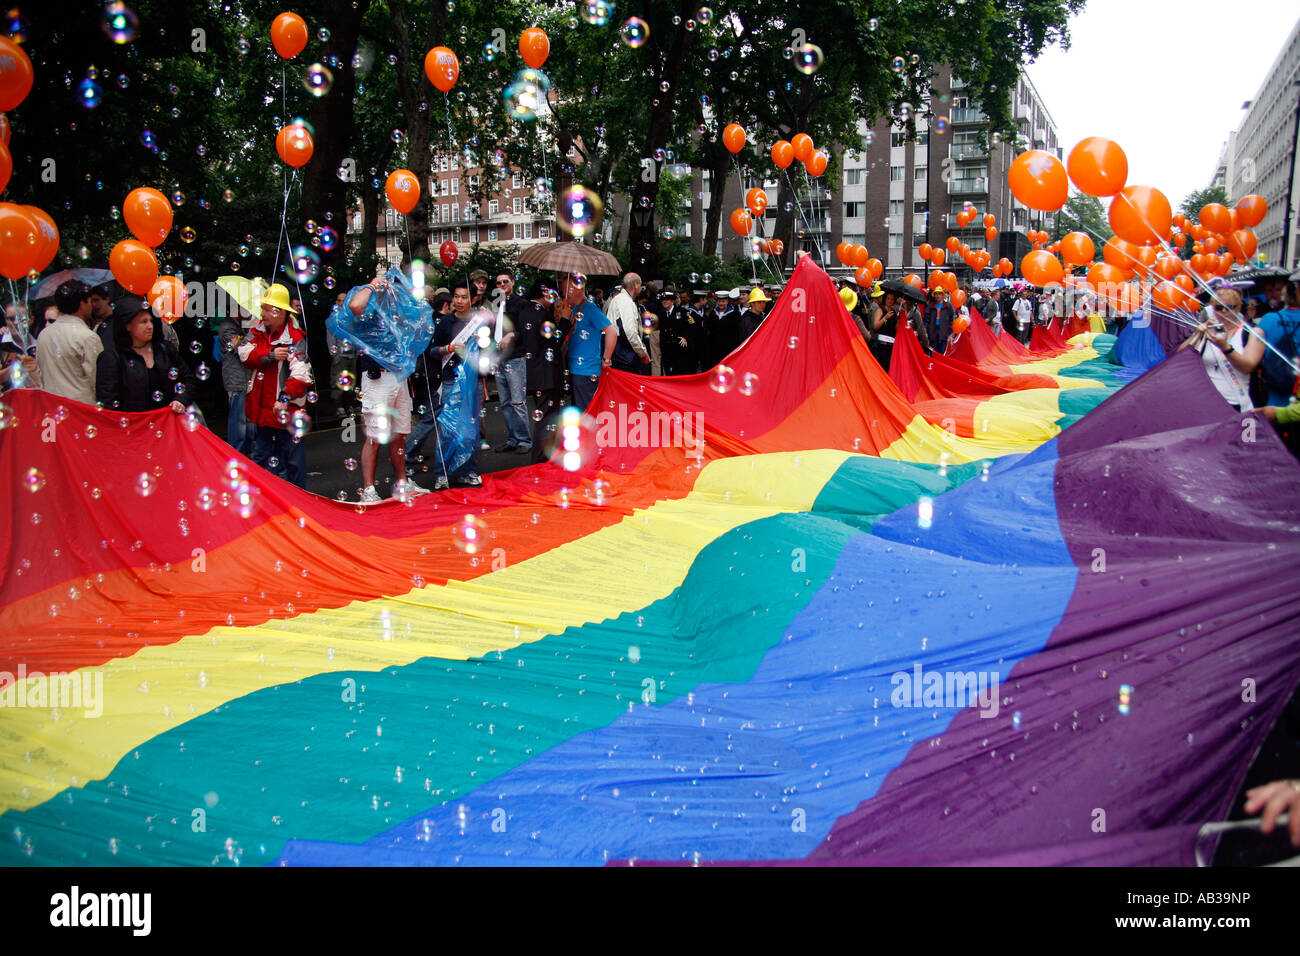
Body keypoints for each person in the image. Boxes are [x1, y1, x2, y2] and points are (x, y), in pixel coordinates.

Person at [345, 275, 430, 503]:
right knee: (374, 435)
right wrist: (372, 284)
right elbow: (354, 305)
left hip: (399, 377)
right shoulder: (368, 309)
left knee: (399, 434)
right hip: (377, 378)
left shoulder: (397, 313)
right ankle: (369, 490)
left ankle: (402, 483)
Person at [238, 282, 313, 488]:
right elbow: (243, 353)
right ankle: (264, 503)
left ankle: (300, 505)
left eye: (267, 309)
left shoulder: (295, 337)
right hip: (264, 411)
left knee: (293, 463)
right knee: (261, 460)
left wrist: (284, 398)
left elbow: (301, 374)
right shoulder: (257, 330)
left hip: (286, 410)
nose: (263, 313)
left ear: (280, 312)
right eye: (263, 308)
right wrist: (269, 355)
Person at [418, 278, 491, 488]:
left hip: (472, 381)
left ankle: (468, 471)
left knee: (470, 429)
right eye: (456, 297)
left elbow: (488, 352)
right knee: (447, 429)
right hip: (450, 381)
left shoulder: (479, 323)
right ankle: (441, 473)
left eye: (464, 297)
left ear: (473, 298)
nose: (459, 301)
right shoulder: (445, 323)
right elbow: (431, 351)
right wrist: (448, 349)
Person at [95, 294, 198, 414]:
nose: (150, 326)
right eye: (143, 322)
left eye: (151, 321)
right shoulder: (112, 357)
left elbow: (189, 380)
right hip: (134, 427)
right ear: (127, 326)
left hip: (168, 422)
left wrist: (180, 400)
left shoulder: (165, 349)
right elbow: (108, 401)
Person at [1175, 289, 1263, 413]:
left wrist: (1225, 347)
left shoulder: (1253, 332)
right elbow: (1180, 357)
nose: (1224, 312)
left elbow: (1247, 366)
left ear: (1239, 307)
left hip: (1239, 404)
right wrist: (1197, 334)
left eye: (1229, 307)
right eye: (1218, 308)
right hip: (1207, 403)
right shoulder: (1208, 331)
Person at [518, 279, 570, 463]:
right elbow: (553, 341)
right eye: (554, 295)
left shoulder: (526, 311)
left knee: (545, 417)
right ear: (546, 293)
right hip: (547, 373)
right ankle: (540, 461)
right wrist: (564, 320)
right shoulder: (541, 314)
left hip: (535, 372)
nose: (555, 299)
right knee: (546, 419)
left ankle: (545, 457)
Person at [36, 280, 102, 405]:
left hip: (51, 405)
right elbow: (96, 379)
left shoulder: (43, 335)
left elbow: (40, 373)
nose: (91, 305)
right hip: (81, 408)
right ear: (82, 304)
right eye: (89, 301)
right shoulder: (88, 337)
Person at [558, 271, 615, 412]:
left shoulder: (589, 308)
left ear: (578, 289)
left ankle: (589, 435)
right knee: (580, 412)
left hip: (586, 370)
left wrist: (606, 359)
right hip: (577, 369)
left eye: (566, 290)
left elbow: (612, 331)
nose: (564, 294)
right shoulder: (573, 309)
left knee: (586, 413)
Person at [491, 270, 531, 454]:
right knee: (505, 402)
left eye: (505, 281)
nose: (502, 285)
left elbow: (527, 331)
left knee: (517, 402)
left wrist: (512, 335)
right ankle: (513, 438)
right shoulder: (496, 304)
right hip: (499, 359)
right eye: (498, 283)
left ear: (513, 282)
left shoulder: (521, 304)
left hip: (515, 358)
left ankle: (524, 440)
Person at [218, 304, 255, 454]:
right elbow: (242, 348)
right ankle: (237, 457)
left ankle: (246, 457)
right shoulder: (228, 327)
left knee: (247, 425)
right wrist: (253, 332)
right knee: (238, 425)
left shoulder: (238, 325)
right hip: (236, 381)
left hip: (244, 379)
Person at [869, 284, 929, 372]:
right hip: (881, 345)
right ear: (885, 298)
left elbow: (896, 329)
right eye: (888, 298)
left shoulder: (895, 311)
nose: (890, 301)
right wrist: (885, 318)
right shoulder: (880, 310)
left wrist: (901, 318)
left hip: (891, 345)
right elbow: (875, 326)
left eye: (892, 299)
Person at [606, 272, 652, 374]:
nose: (641, 288)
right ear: (635, 284)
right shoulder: (625, 302)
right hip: (625, 358)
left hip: (618, 355)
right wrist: (643, 353)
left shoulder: (618, 299)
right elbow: (629, 332)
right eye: (640, 285)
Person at [659, 286, 698, 375]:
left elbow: (692, 325)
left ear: (672, 301)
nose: (665, 302)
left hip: (679, 350)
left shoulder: (682, 311)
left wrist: (685, 337)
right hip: (667, 350)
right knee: (669, 374)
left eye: (667, 300)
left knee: (680, 373)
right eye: (663, 300)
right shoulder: (661, 314)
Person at [924, 287, 955, 353]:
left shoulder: (948, 305)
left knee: (942, 352)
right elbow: (927, 319)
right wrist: (927, 330)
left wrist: (949, 330)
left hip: (944, 332)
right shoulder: (930, 306)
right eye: (936, 294)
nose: (937, 296)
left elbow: (952, 318)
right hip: (933, 332)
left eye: (939, 294)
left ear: (942, 295)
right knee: (934, 351)